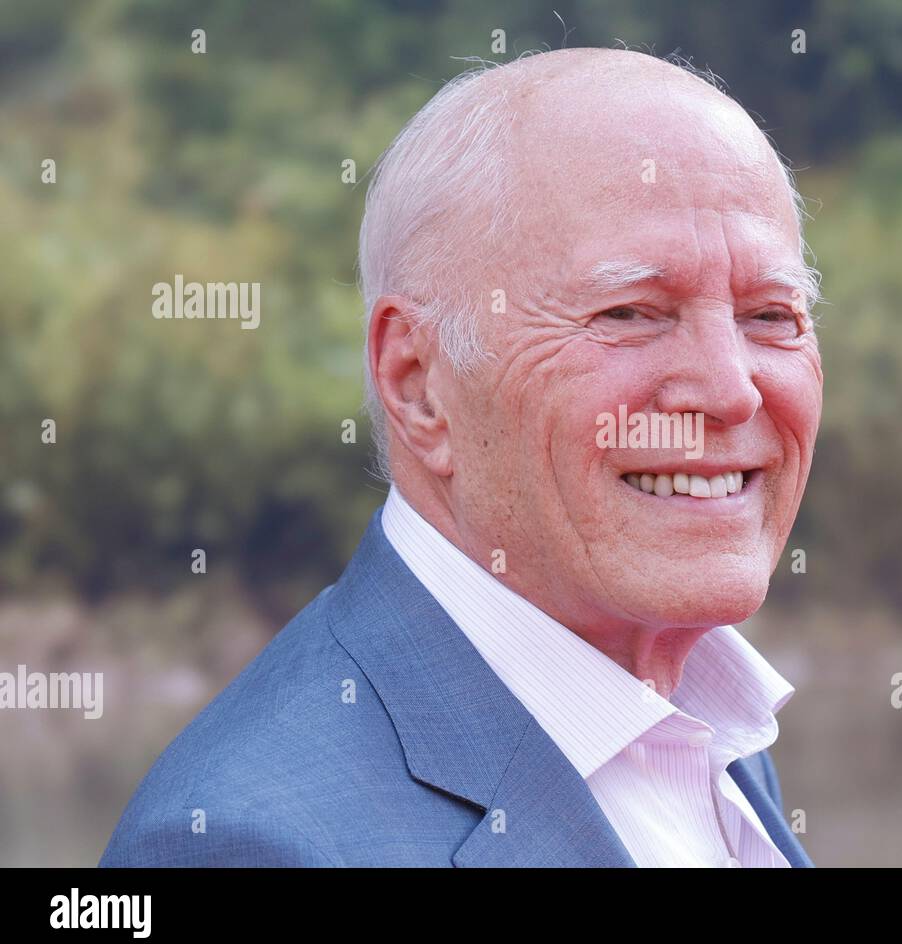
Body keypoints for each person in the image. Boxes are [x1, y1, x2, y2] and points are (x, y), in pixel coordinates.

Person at [101, 46, 822, 867]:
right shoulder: (251, 844)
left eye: (771, 315)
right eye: (629, 313)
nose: (732, 391)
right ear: (418, 385)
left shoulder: (693, 721)